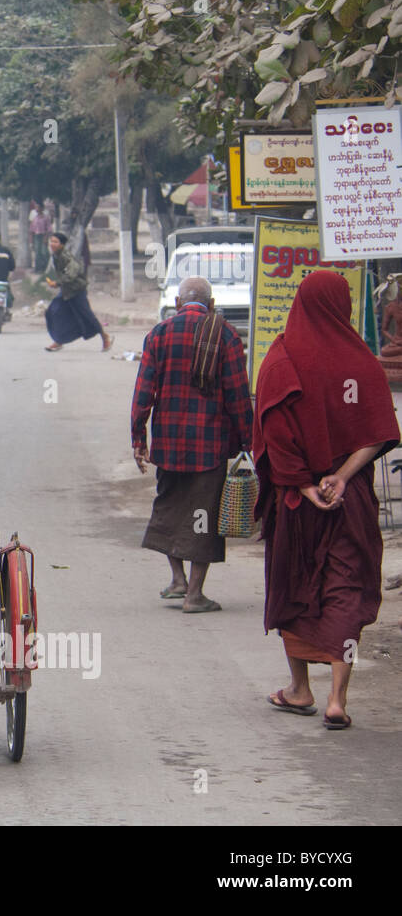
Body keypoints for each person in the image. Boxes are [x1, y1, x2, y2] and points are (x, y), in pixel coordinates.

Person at [254, 270, 400, 729]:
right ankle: (337, 699)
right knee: (346, 588)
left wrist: (304, 484)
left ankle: (299, 690)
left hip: (297, 503)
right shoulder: (361, 362)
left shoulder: (282, 360)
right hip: (349, 496)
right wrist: (340, 476)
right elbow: (378, 432)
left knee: (294, 585)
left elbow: (273, 435)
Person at [131, 276, 253, 613]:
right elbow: (238, 395)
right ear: (211, 304)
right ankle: (194, 594)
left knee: (171, 507)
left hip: (168, 444)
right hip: (210, 443)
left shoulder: (159, 334)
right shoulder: (225, 334)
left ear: (178, 303)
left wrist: (139, 439)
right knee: (203, 515)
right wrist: (247, 440)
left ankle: (177, 579)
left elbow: (143, 394)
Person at [44, 232, 113, 352]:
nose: (52, 244)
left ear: (62, 245)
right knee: (55, 312)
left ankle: (105, 337)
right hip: (66, 291)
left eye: (55, 242)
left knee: (87, 316)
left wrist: (57, 283)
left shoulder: (66, 256)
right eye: (51, 241)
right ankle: (59, 341)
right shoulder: (56, 256)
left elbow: (72, 273)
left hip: (76, 291)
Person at [29, 202, 51, 273]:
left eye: (38, 207)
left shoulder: (46, 218)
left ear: (42, 208)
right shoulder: (35, 218)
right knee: (37, 253)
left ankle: (45, 268)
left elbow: (48, 229)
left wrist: (46, 238)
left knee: (44, 252)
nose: (37, 209)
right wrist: (31, 241)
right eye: (36, 207)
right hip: (36, 237)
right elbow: (31, 230)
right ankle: (37, 268)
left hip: (43, 236)